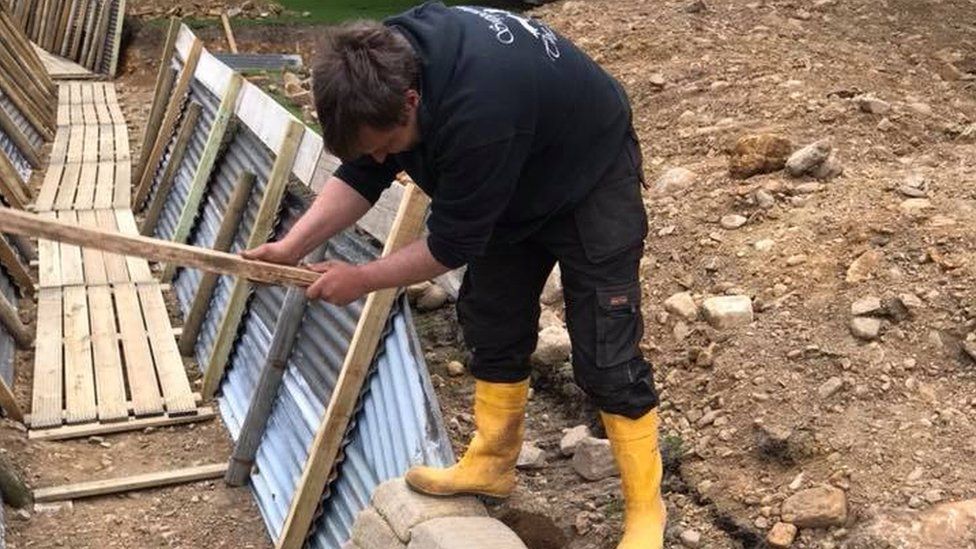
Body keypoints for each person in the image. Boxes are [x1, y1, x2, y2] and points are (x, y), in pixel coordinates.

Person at [243, 3, 664, 547]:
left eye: (388, 145)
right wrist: (291, 245)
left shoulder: (480, 109)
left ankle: (645, 515)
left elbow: (452, 243)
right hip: (511, 170)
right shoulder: (378, 67)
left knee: (607, 352)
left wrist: (363, 278)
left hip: (588, 175)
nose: (382, 155)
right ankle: (492, 462)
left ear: (412, 102)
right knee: (491, 320)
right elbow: (362, 173)